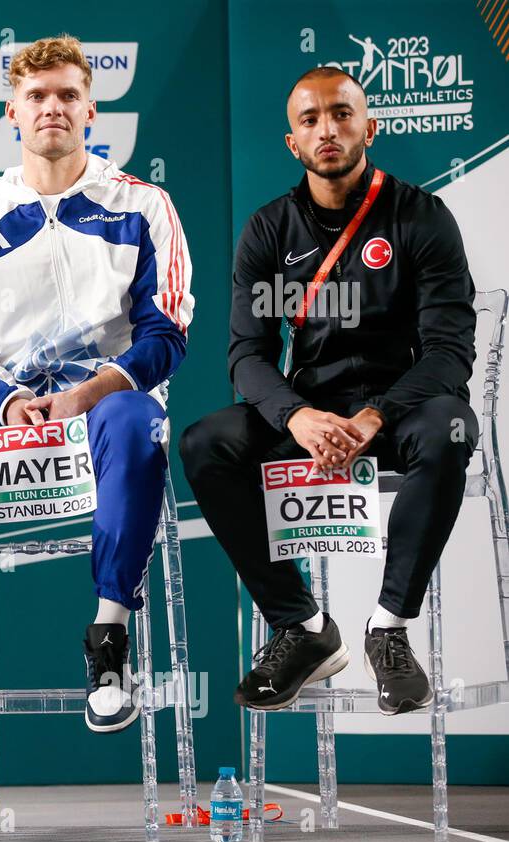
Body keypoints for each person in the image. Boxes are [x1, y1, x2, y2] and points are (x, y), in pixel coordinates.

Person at [0, 35, 193, 799]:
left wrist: (87, 395)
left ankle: (108, 640)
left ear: (90, 109)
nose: (52, 108)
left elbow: (168, 331)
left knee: (134, 426)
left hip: (106, 405)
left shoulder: (143, 205)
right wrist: (8, 402)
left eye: (66, 95)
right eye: (37, 97)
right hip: (13, 413)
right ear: (13, 114)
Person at [180, 67, 477, 716]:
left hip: (398, 412)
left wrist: (377, 415)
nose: (328, 129)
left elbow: (450, 354)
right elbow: (248, 355)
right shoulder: (269, 231)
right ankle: (304, 627)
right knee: (206, 443)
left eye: (341, 114)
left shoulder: (421, 218)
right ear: (293, 142)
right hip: (312, 411)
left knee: (451, 425)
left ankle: (389, 628)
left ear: (369, 126)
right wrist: (298, 417)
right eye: (310, 119)